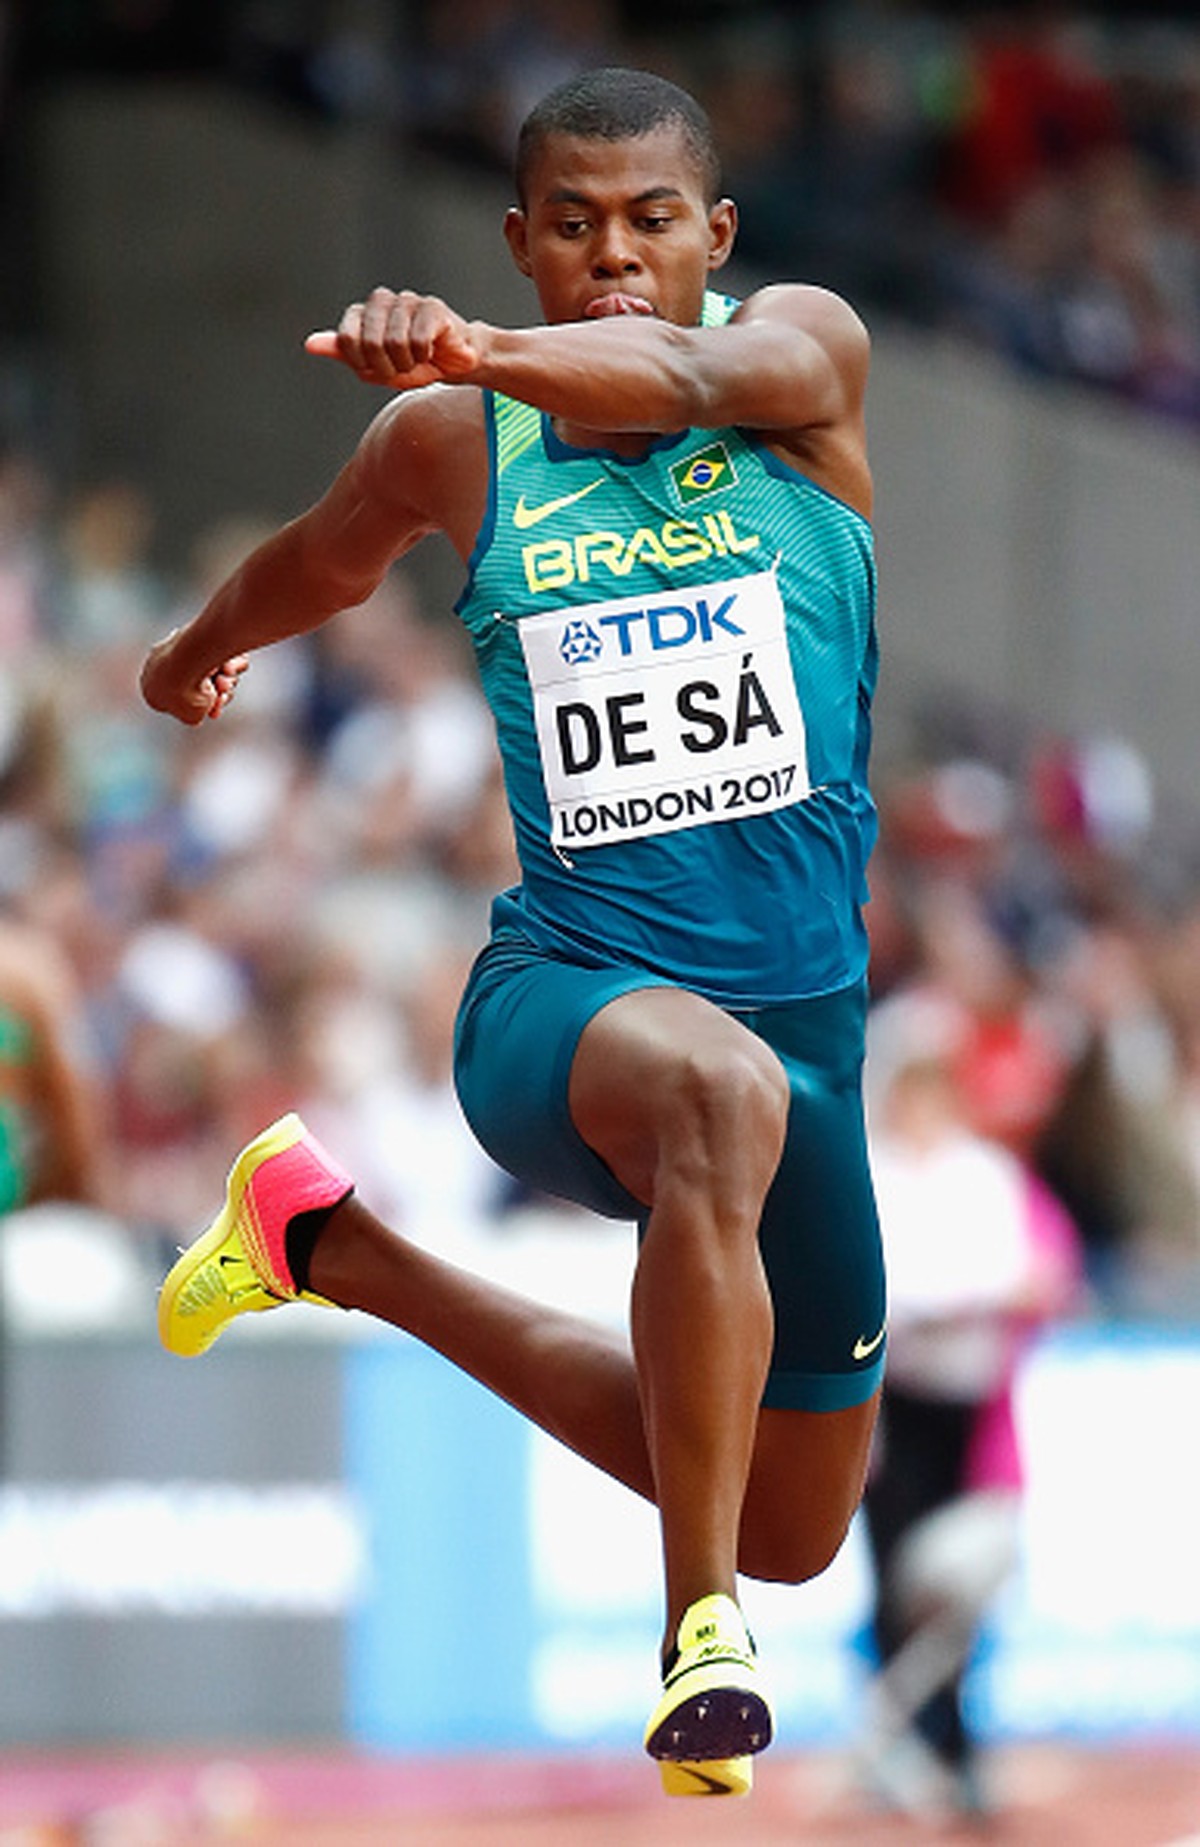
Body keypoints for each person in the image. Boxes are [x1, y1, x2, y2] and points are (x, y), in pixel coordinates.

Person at [141, 66, 885, 1798]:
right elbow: (321, 566)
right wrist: (191, 650)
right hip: (565, 1005)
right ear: (521, 240)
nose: (614, 257)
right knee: (714, 1095)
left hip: (814, 1047)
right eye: (572, 226)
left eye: (648, 222)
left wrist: (474, 342)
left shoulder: (802, 370)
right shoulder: (455, 445)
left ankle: (329, 1245)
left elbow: (687, 372)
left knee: (792, 1522)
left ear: (718, 235)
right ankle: (699, 1640)